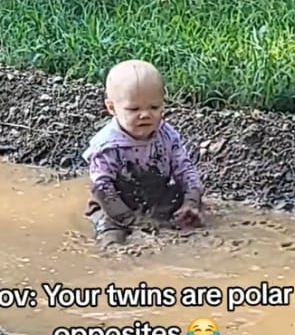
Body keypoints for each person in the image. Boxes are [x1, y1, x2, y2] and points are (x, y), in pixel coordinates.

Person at [81, 59, 205, 248]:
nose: (145, 115)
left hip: (156, 197)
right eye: (134, 109)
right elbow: (102, 188)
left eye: (154, 107)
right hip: (115, 203)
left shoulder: (167, 136)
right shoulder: (106, 146)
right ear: (111, 107)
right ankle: (115, 258)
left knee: (191, 220)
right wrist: (132, 221)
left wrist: (191, 202)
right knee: (110, 235)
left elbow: (185, 170)